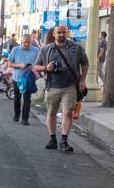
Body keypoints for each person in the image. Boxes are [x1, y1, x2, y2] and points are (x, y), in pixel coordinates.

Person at [37, 24, 88, 153]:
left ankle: (64, 140)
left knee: (67, 112)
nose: (61, 35)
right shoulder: (46, 49)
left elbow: (85, 63)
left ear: (67, 33)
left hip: (70, 86)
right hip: (52, 85)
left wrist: (82, 80)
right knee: (52, 112)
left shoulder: (76, 48)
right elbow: (36, 66)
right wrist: (46, 68)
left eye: (64, 32)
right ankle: (52, 138)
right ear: (54, 34)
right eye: (58, 33)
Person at [9, 32, 40, 124]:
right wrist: (20, 65)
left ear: (31, 42)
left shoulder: (36, 50)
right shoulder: (15, 50)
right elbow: (10, 64)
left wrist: (33, 67)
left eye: (29, 42)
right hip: (17, 78)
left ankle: (25, 119)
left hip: (29, 79)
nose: (27, 44)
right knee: (17, 98)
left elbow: (39, 64)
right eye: (25, 42)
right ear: (22, 41)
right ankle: (16, 114)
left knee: (27, 98)